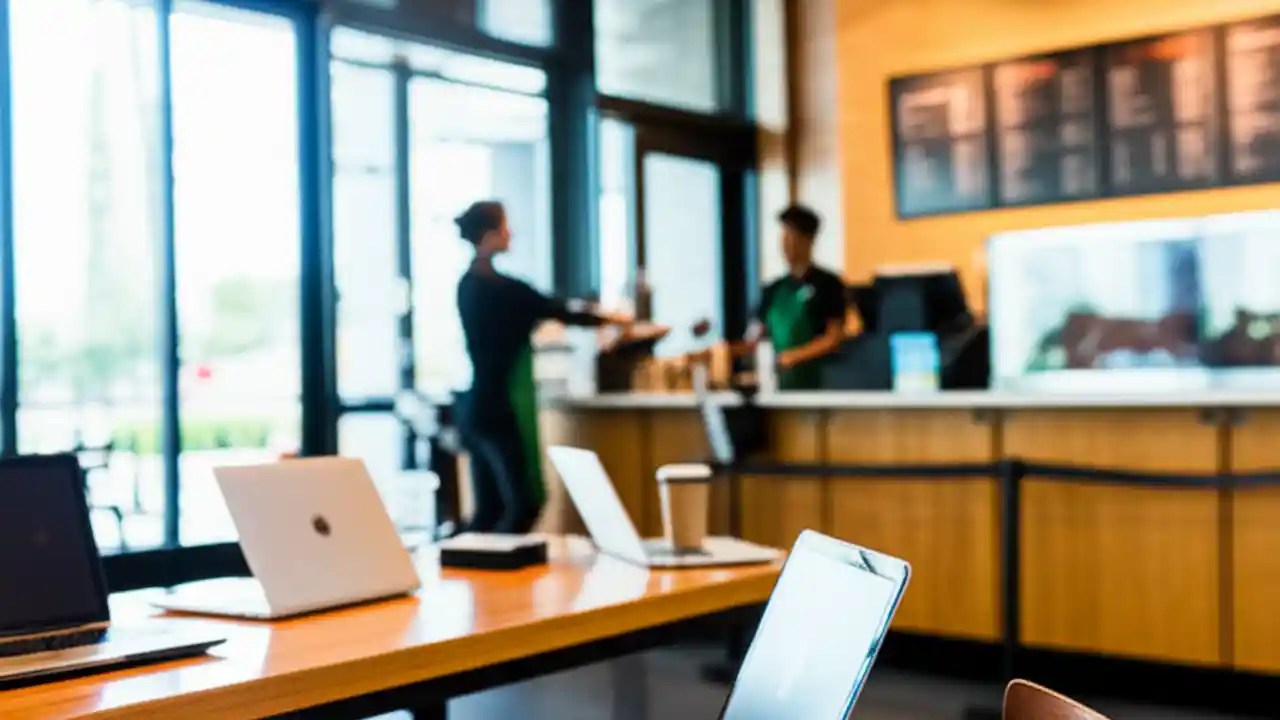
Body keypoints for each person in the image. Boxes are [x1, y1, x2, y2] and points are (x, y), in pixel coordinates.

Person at [454, 200, 627, 534]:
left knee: (488, 512)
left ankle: (473, 578)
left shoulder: (467, 285)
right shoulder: (505, 291)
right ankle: (493, 576)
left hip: (475, 406)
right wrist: (616, 318)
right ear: (490, 234)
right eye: (505, 227)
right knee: (524, 504)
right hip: (502, 407)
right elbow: (560, 310)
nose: (511, 233)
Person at [737, 205, 847, 390]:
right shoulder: (773, 289)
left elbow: (833, 337)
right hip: (776, 385)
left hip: (819, 383)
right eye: (785, 238)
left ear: (809, 240)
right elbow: (756, 337)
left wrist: (793, 357)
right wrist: (725, 351)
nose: (788, 246)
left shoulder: (828, 284)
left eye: (793, 238)